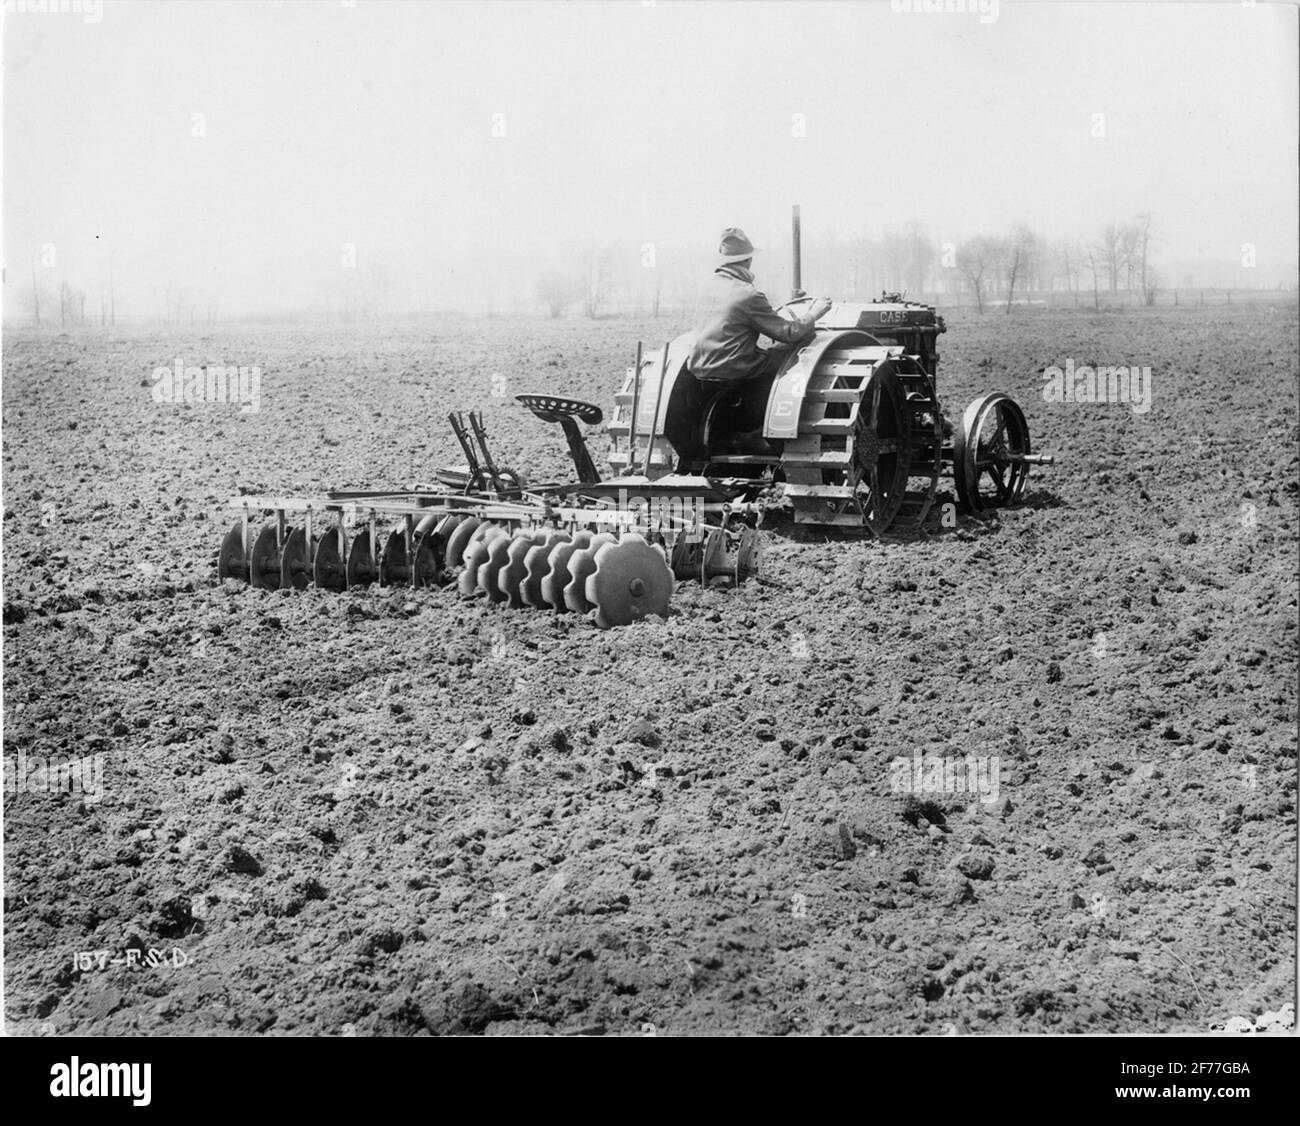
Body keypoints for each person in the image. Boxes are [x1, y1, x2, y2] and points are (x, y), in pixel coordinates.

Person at [688, 227, 832, 452]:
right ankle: (769, 432)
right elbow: (789, 332)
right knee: (791, 355)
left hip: (700, 366)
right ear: (747, 261)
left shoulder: (705, 286)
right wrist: (814, 313)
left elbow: (738, 317)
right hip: (733, 368)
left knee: (772, 354)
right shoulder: (748, 294)